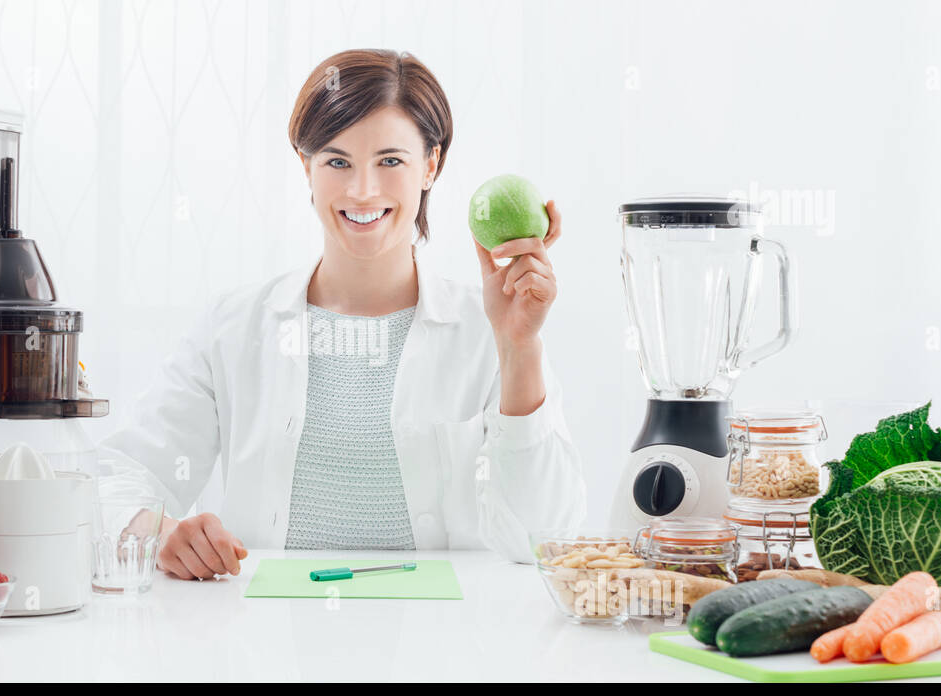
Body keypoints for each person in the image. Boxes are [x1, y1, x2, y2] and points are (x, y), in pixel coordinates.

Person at [100, 48, 586, 580]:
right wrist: (162, 532)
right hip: (260, 644)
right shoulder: (234, 328)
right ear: (305, 167)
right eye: (337, 161)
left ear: (431, 164)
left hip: (442, 649)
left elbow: (541, 537)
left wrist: (518, 347)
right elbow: (115, 478)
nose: (362, 190)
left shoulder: (485, 330)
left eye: (390, 161)